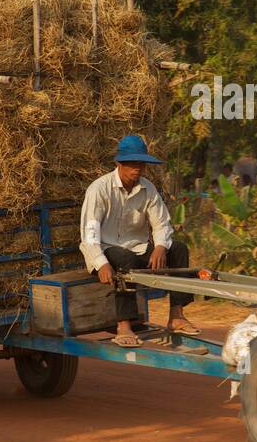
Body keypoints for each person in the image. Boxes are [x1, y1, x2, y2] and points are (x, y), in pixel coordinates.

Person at [79, 135, 198, 347]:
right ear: (119, 164)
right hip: (107, 250)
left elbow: (162, 224)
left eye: (140, 164)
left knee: (179, 249)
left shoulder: (148, 188)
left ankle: (176, 315)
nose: (137, 169)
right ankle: (124, 325)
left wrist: (160, 246)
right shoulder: (99, 189)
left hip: (138, 248)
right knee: (125, 259)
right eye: (132, 164)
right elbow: (90, 235)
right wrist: (101, 263)